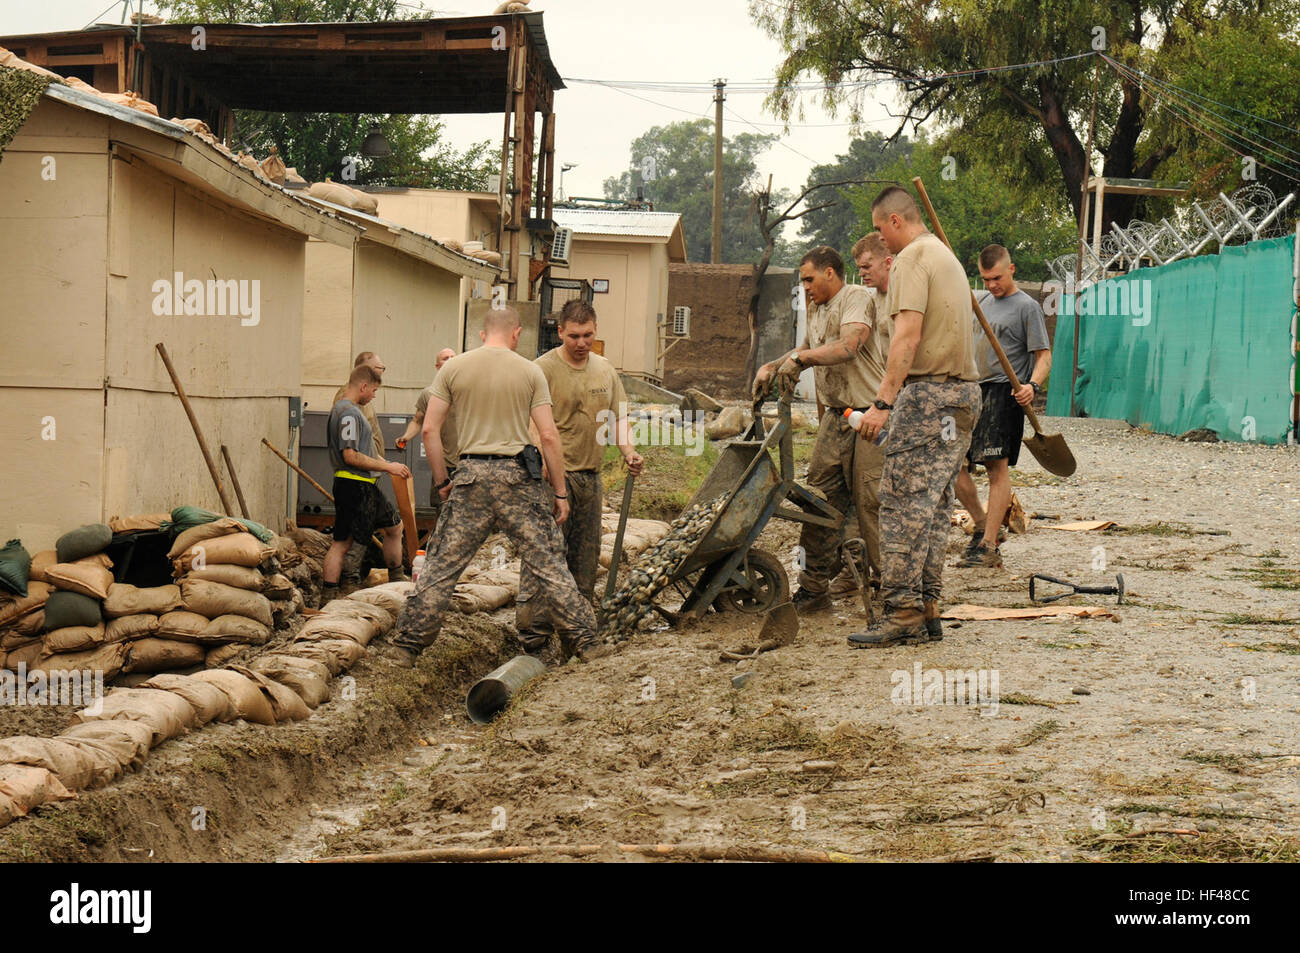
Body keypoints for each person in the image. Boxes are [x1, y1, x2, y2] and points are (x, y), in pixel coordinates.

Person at [381, 306, 608, 667]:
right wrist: (561, 493)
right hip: (519, 481)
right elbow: (548, 436)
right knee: (550, 565)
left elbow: (429, 430)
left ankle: (406, 647)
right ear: (516, 333)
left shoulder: (454, 368)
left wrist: (443, 481)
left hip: (470, 477)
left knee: (441, 567)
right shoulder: (530, 371)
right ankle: (587, 643)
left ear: (483, 334)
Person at [848, 186, 982, 648]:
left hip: (928, 394)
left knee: (902, 503)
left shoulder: (910, 260)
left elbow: (907, 334)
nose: (880, 240)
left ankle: (902, 611)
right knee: (934, 504)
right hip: (963, 394)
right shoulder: (946, 257)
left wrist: (882, 403)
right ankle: (927, 607)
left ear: (896, 221)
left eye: (881, 229)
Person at [752, 245, 881, 614]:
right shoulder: (815, 307)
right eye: (802, 280)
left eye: (809, 278)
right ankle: (813, 589)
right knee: (819, 504)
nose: (805, 286)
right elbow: (807, 347)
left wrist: (799, 360)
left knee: (870, 506)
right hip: (836, 418)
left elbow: (849, 345)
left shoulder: (855, 297)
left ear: (830, 272)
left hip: (868, 417)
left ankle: (891, 592)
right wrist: (773, 367)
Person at [516, 300, 644, 652]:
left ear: (596, 330)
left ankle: (578, 637)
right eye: (574, 336)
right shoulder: (541, 370)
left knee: (584, 561)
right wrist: (540, 461)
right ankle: (534, 641)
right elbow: (530, 425)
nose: (581, 342)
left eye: (588, 335)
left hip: (590, 478)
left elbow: (617, 420)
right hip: (551, 480)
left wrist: (629, 451)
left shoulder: (605, 371)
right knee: (544, 559)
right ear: (559, 332)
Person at [954, 244, 1051, 568]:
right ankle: (983, 523)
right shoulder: (980, 303)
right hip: (972, 390)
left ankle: (989, 544)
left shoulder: (1027, 307)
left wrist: (1031, 386)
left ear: (1011, 269)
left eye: (996, 278)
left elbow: (1043, 357)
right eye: (985, 279)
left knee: (996, 468)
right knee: (953, 465)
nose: (992, 285)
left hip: (1005, 394)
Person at [322, 364, 412, 601]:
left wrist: (389, 464)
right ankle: (338, 590)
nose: (373, 395)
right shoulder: (349, 414)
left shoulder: (348, 410)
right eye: (373, 390)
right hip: (355, 486)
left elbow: (367, 450)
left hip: (363, 485)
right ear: (363, 386)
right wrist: (387, 467)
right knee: (347, 542)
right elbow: (350, 456)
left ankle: (396, 575)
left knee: (394, 526)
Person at [333, 351, 389, 587]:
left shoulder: (358, 403)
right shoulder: (349, 408)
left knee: (385, 528)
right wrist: (386, 466)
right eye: (378, 368)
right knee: (351, 538)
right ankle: (347, 583)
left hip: (365, 476)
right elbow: (351, 452)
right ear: (363, 376)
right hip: (356, 479)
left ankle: (347, 583)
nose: (380, 373)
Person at [398, 347, 459, 528]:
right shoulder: (429, 394)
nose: (449, 360)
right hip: (443, 465)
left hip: (468, 463)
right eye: (445, 358)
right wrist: (406, 437)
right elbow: (418, 421)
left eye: (452, 357)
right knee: (443, 516)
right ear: (437, 366)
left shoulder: (468, 390)